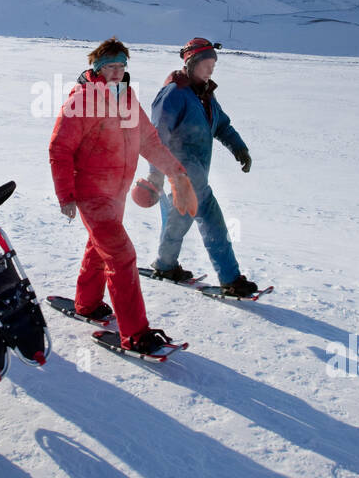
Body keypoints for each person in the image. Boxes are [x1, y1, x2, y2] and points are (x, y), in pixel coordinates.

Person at [48, 37, 199, 353]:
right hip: (91, 193)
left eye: (121, 66)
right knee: (122, 255)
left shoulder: (127, 99)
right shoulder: (83, 101)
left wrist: (176, 173)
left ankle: (87, 304)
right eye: (110, 66)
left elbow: (150, 143)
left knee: (98, 246)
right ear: (97, 68)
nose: (117, 72)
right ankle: (136, 334)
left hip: (116, 192)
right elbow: (60, 148)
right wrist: (66, 195)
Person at [134, 37, 258, 297]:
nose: (211, 69)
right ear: (191, 63)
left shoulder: (205, 95)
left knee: (178, 220)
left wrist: (239, 148)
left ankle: (166, 265)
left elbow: (222, 125)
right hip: (182, 173)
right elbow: (156, 135)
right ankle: (230, 277)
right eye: (206, 64)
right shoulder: (174, 93)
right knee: (211, 222)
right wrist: (155, 174)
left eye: (213, 64)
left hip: (196, 173)